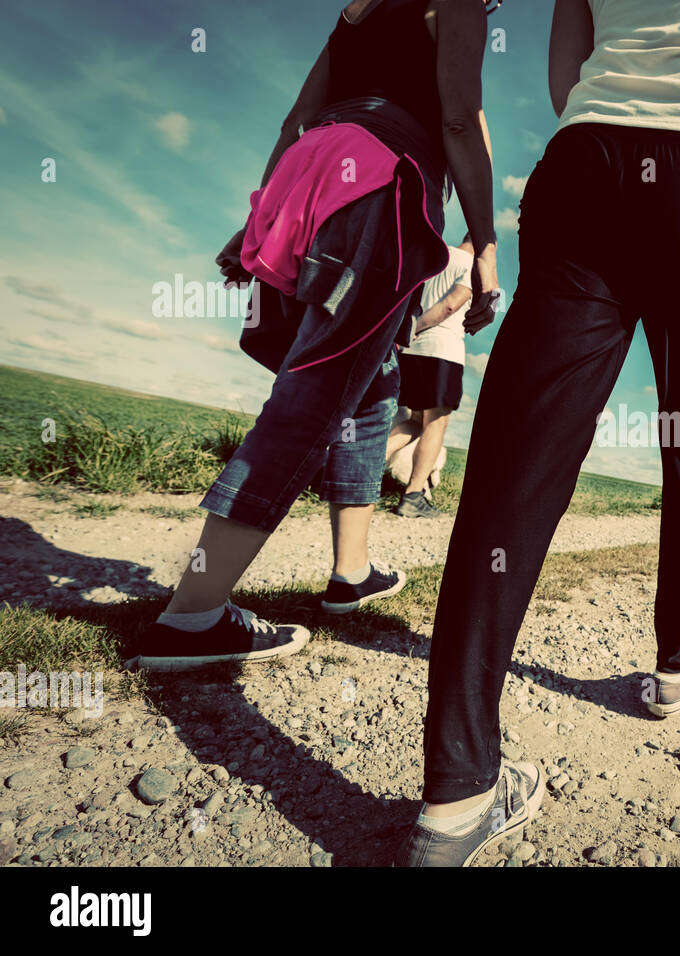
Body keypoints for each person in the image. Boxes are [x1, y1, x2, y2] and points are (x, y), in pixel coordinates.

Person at [401, 0, 680, 866]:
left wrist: (619, 121)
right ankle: (676, 665)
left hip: (588, 160)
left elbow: (568, 64)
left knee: (515, 463)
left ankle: (454, 795)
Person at [128, 0, 501, 671]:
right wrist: (489, 249)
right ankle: (193, 614)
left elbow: (293, 119)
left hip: (313, 175)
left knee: (372, 387)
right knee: (314, 396)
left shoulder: (357, 13)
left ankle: (351, 571)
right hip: (381, 183)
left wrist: (256, 216)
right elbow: (458, 119)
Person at [385, 233, 475, 518]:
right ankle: (413, 496)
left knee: (414, 420)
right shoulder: (472, 265)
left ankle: (361, 472)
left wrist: (408, 333)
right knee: (436, 424)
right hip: (442, 349)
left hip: (413, 351)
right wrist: (419, 327)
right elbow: (451, 305)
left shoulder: (437, 257)